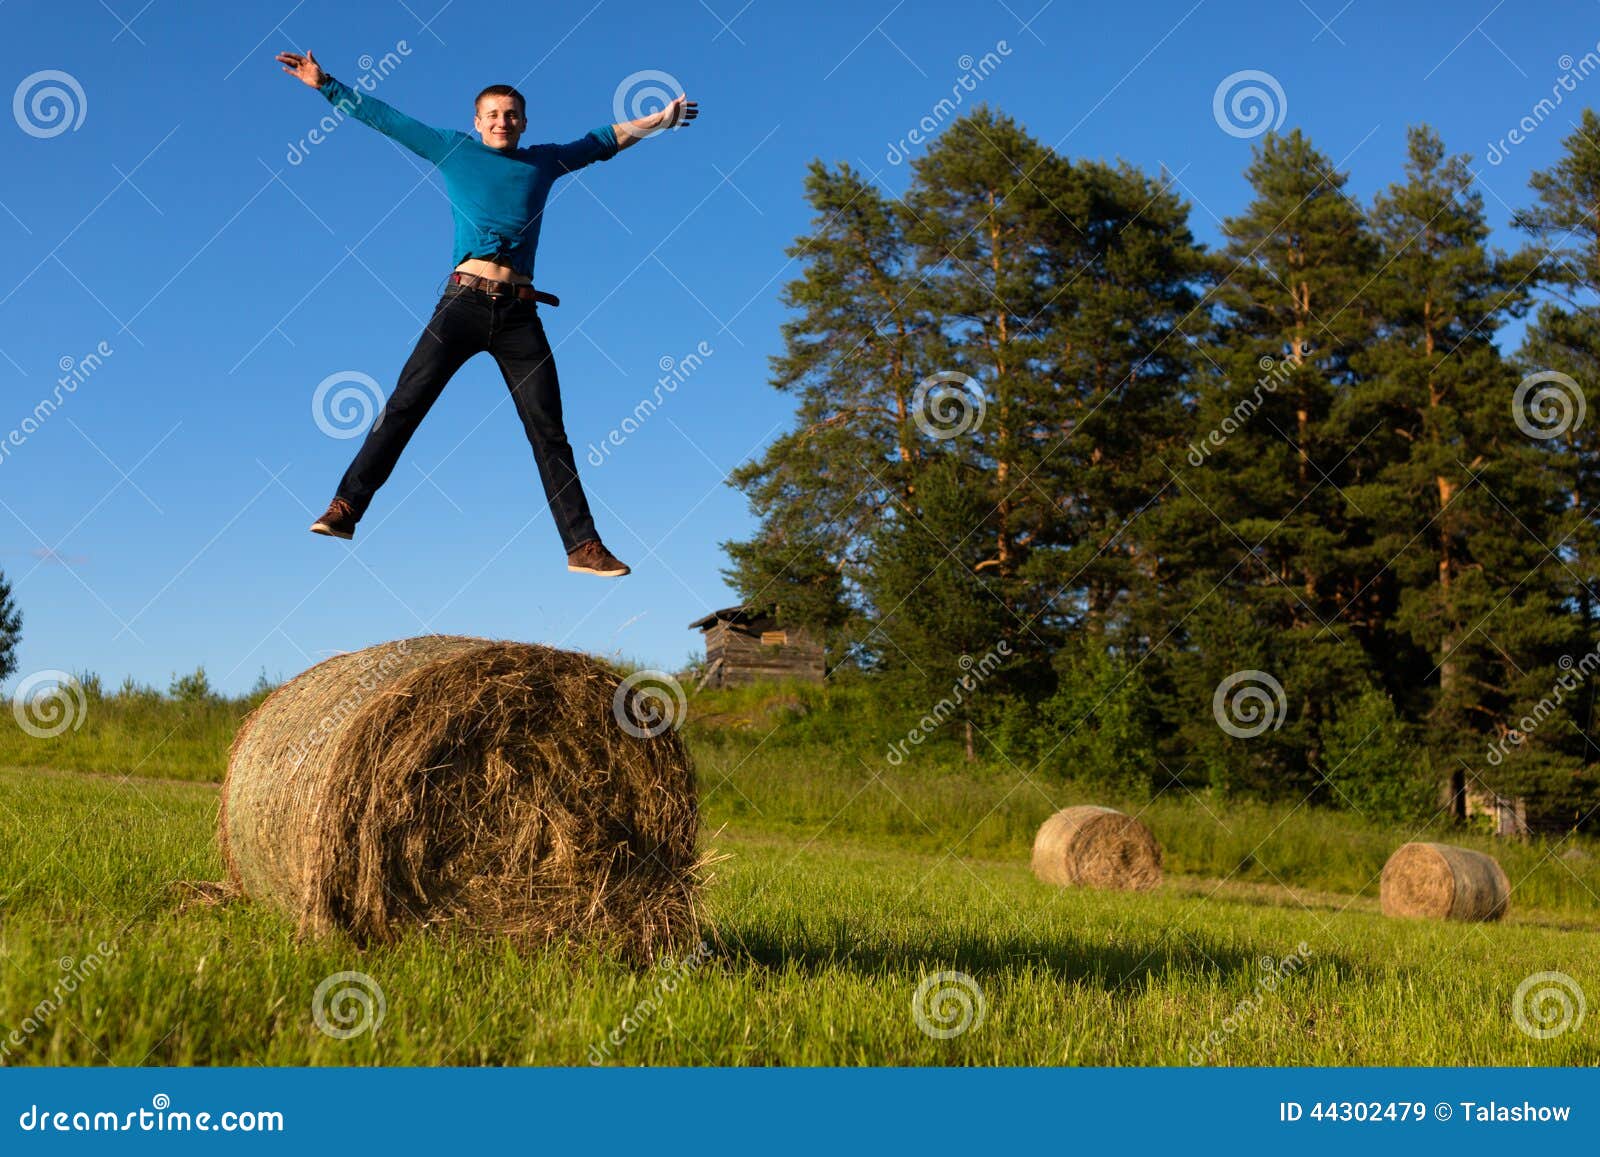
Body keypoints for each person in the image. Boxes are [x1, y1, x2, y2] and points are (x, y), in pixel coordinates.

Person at [275, 49, 699, 577]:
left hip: (520, 316)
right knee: (405, 405)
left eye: (512, 114)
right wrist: (326, 84)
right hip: (462, 305)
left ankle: (583, 546)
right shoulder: (454, 150)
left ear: (524, 122)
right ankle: (346, 508)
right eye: (493, 114)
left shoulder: (542, 160)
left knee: (549, 431)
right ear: (477, 123)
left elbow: (603, 140)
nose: (503, 121)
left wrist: (659, 119)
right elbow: (387, 119)